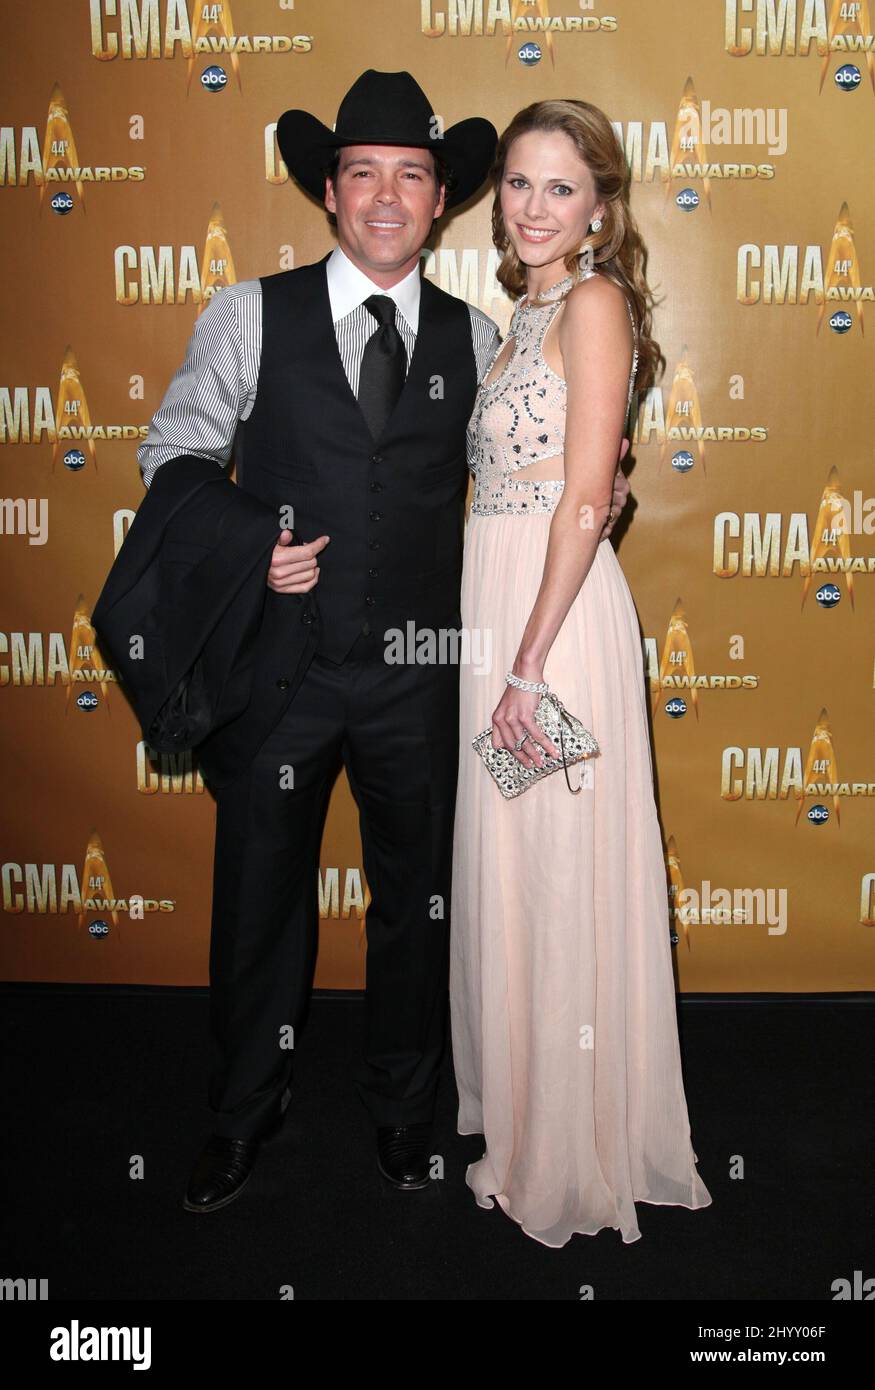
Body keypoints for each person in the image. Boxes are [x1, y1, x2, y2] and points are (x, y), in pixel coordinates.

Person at [136, 71, 632, 1214]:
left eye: (411, 174)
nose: (386, 196)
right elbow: (171, 456)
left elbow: (546, 464)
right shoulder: (246, 313)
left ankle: (409, 1117)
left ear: (442, 197)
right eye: (361, 171)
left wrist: (607, 486)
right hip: (284, 666)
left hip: (426, 674)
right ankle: (240, 1112)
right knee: (261, 894)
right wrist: (247, 539)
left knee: (422, 903)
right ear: (328, 189)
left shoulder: (480, 330)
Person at [449, 99, 713, 1246]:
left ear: (599, 205)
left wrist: (525, 663)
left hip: (548, 630)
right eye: (516, 183)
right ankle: (527, 1118)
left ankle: (573, 1148)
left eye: (560, 187)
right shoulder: (522, 311)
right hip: (504, 610)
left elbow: (584, 497)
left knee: (556, 869)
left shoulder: (593, 303)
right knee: (517, 870)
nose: (534, 206)